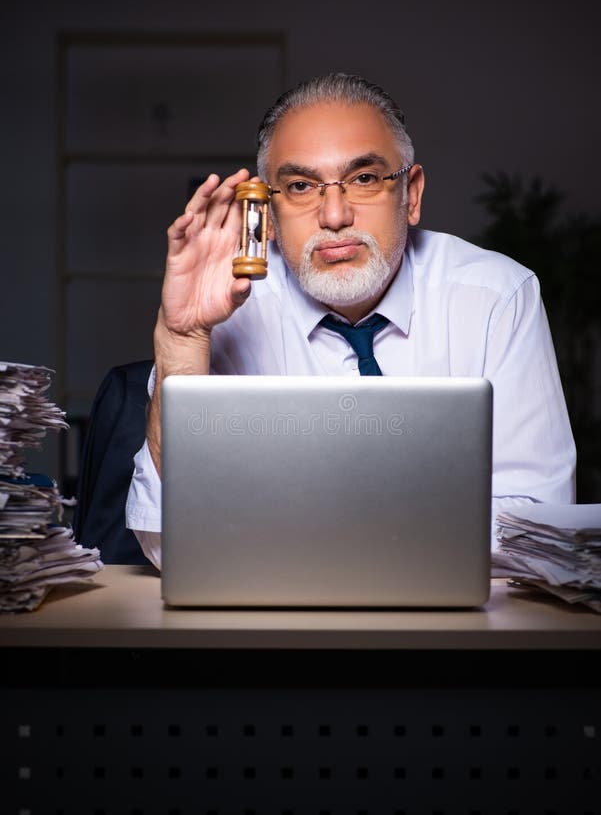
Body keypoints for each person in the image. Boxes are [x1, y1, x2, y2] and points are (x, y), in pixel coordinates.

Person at [125, 72, 576, 569]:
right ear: (268, 216)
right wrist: (183, 337)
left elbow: (537, 527)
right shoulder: (232, 304)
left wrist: (293, 532)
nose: (334, 215)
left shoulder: (497, 297)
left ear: (412, 194)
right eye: (300, 186)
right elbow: (169, 543)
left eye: (364, 179)